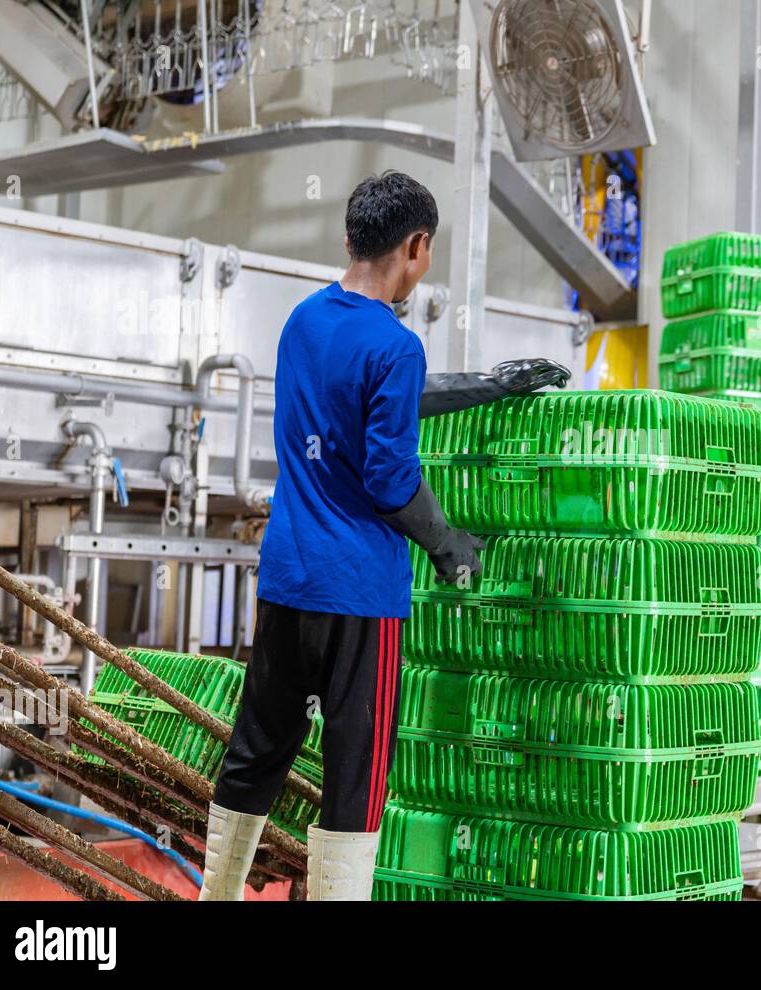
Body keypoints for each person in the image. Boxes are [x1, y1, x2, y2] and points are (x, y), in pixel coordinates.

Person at [197, 171, 489, 901]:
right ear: (417, 249)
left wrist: (484, 385)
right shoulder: (396, 345)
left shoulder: (303, 321)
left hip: (289, 581)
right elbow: (391, 478)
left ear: (351, 237)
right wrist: (447, 542)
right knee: (354, 774)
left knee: (258, 750)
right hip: (360, 594)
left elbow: (350, 394)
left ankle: (217, 895)